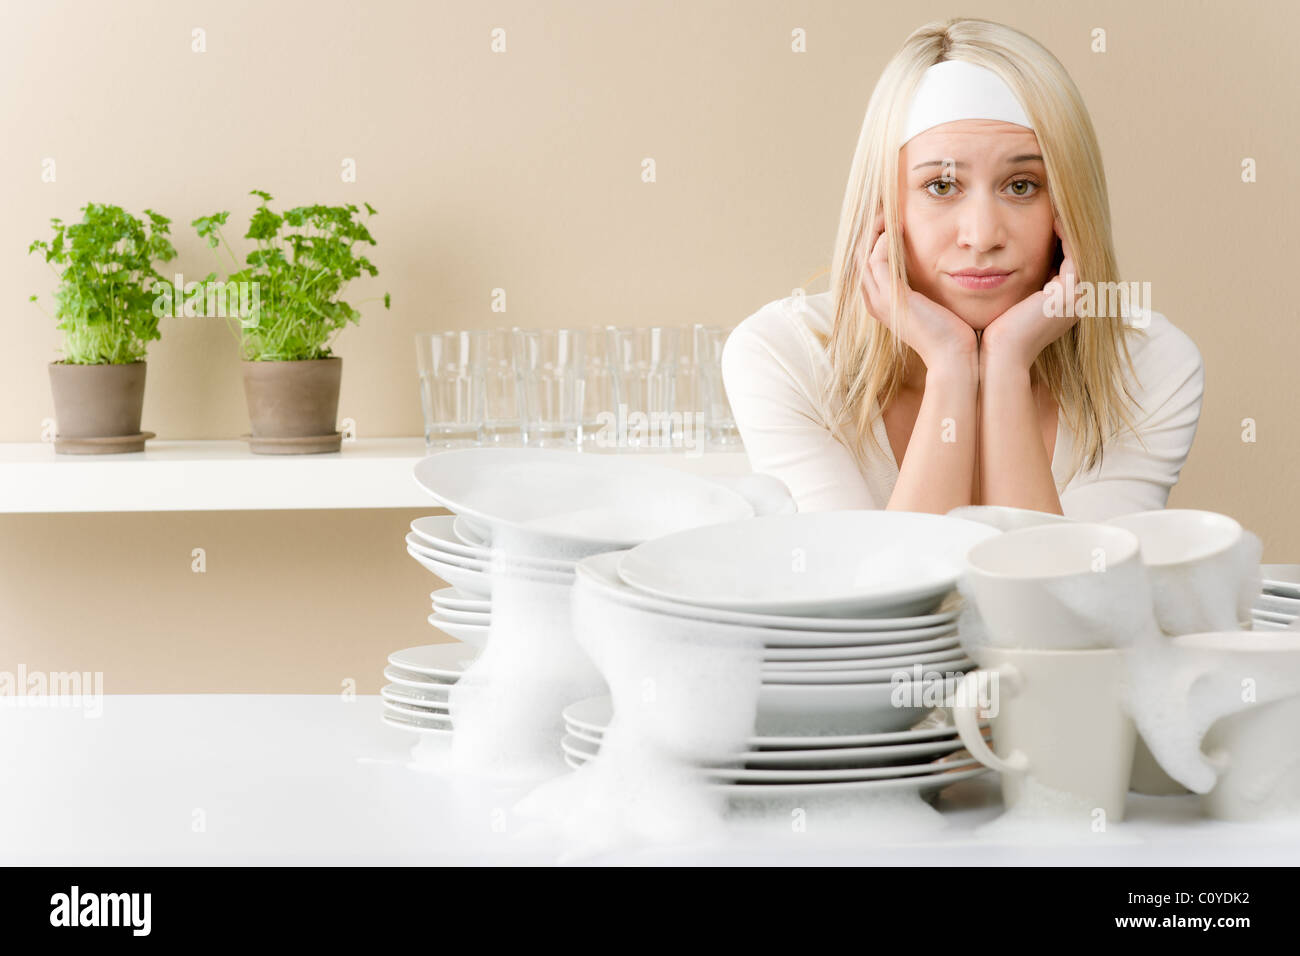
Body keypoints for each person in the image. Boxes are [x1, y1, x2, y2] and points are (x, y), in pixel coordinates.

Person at [721, 18, 1204, 521]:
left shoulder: (1151, 367)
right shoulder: (785, 356)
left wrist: (1006, 365)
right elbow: (877, 593)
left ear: (1069, 207)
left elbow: (1054, 595)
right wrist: (951, 364)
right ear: (883, 204)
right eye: (941, 186)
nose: (982, 235)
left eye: (1022, 185)